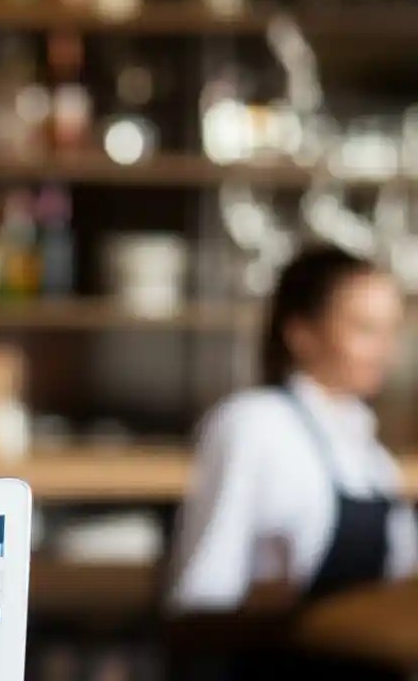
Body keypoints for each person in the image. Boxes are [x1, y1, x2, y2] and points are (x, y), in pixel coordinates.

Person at [167, 245, 417, 678]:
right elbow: (202, 599)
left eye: (391, 332)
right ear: (301, 333)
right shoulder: (254, 424)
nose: (385, 352)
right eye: (365, 329)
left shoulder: (372, 456)